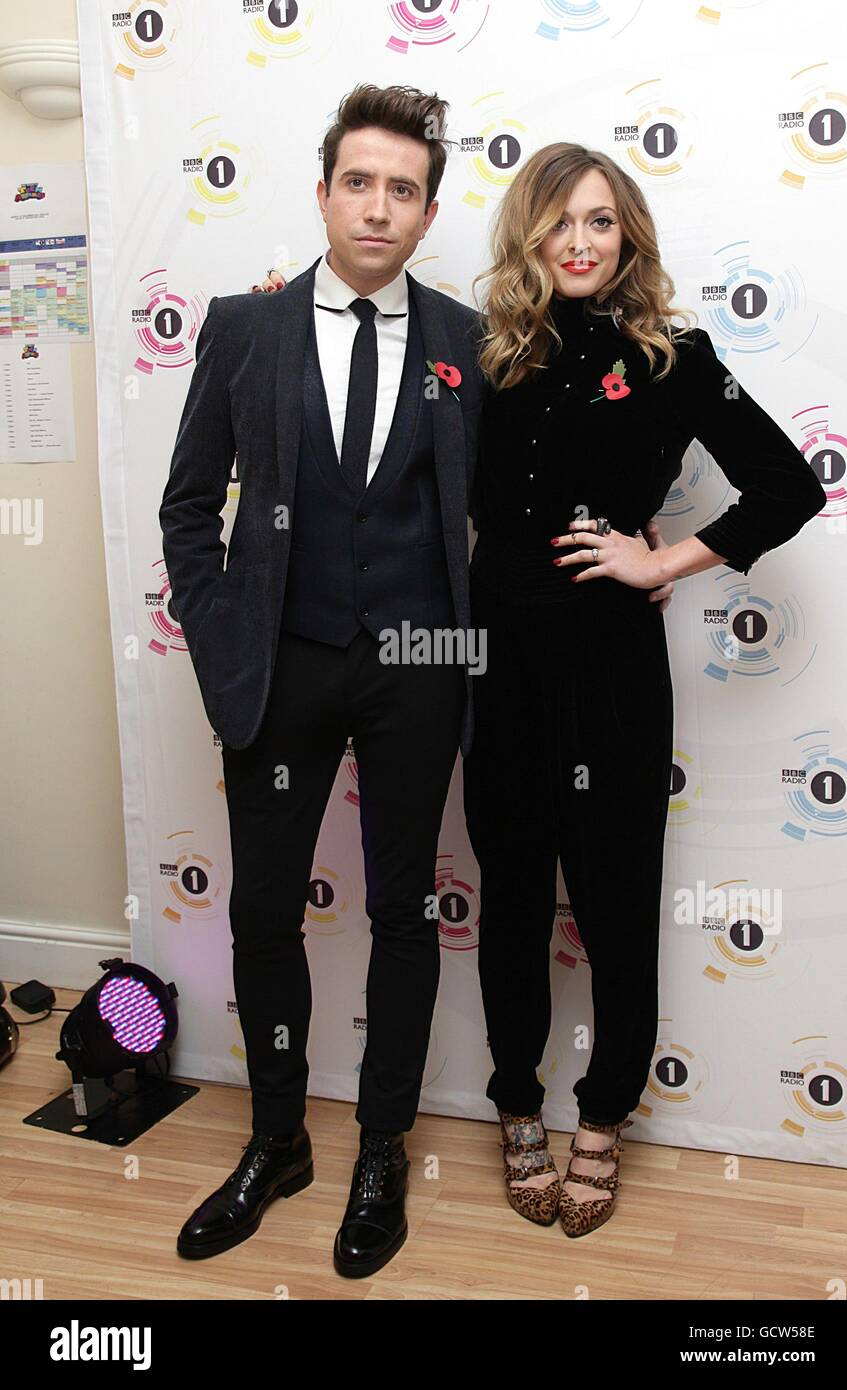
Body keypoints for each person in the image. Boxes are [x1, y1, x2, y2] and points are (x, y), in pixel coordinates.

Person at [461, 143, 826, 1237]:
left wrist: (660, 561)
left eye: (602, 222)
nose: (580, 241)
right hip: (500, 661)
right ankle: (515, 1104)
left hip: (612, 667)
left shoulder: (672, 355)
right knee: (513, 897)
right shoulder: (485, 358)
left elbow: (786, 484)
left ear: (628, 239)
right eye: (559, 221)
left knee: (616, 903)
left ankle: (603, 1117)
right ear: (528, 235)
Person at [159, 83, 485, 1277]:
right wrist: (221, 631)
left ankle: (382, 1148)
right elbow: (190, 508)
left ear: (427, 209)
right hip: (282, 665)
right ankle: (277, 1139)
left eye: (404, 189)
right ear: (324, 191)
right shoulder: (244, 331)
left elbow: (494, 514)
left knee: (404, 912)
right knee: (261, 910)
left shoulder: (464, 342)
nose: (379, 206)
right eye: (360, 181)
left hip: (418, 664)